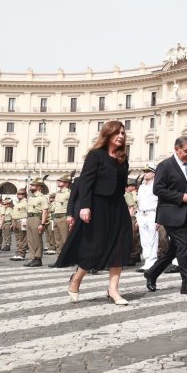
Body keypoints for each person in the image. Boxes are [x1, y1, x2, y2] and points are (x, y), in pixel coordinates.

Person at [57, 121, 134, 305]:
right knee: (95, 246)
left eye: (123, 133)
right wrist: (85, 206)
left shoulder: (122, 158)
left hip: (118, 206)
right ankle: (76, 279)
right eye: (117, 133)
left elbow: (122, 186)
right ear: (107, 134)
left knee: (120, 247)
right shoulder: (95, 155)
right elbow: (86, 182)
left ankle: (113, 290)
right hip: (98, 205)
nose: (121, 136)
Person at [142, 136, 187, 295]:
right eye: (186, 151)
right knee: (184, 246)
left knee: (174, 250)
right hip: (170, 213)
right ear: (176, 149)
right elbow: (158, 189)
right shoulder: (165, 165)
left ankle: (152, 273)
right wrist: (180, 196)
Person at [136, 164, 159, 273]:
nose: (145, 173)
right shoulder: (142, 186)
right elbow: (139, 202)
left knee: (152, 239)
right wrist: (137, 217)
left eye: (147, 171)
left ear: (153, 173)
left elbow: (160, 202)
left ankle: (153, 261)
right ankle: (147, 261)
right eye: (144, 171)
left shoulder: (156, 186)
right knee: (144, 240)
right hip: (142, 214)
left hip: (152, 214)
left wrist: (159, 218)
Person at [23, 179, 49, 267]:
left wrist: (42, 224)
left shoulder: (42, 197)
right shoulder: (31, 197)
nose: (31, 187)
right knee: (30, 239)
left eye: (33, 185)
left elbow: (45, 211)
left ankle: (38, 259)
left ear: (39, 187)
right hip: (30, 218)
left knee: (37, 239)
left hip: (37, 218)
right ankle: (33, 257)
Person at [53, 174, 72, 258]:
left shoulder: (69, 193)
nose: (58, 182)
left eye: (61, 181)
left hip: (64, 217)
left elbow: (72, 205)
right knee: (57, 240)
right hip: (56, 217)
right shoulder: (58, 193)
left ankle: (67, 257)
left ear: (67, 183)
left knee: (65, 240)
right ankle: (59, 257)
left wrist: (71, 217)